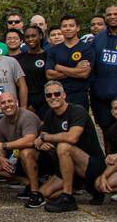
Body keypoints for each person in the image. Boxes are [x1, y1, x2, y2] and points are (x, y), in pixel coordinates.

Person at [35, 81, 106, 213]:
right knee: (45, 193)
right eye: (49, 95)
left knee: (63, 147)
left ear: (64, 95)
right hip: (69, 165)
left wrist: (46, 138)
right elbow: (39, 139)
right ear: (45, 98)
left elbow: (72, 137)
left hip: (91, 164)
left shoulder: (77, 110)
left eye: (57, 94)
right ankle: (81, 186)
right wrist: (41, 141)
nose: (53, 97)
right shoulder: (49, 114)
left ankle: (68, 197)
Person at [0, 92, 42, 206]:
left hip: (40, 157)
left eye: (10, 101)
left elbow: (30, 140)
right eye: (3, 103)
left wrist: (4, 145)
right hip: (17, 158)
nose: (7, 105)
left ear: (17, 102)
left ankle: (36, 194)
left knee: (25, 152)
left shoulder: (27, 116)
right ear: (0, 107)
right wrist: (1, 158)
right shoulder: (1, 123)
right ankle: (29, 183)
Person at [47, 15, 91, 109]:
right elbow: (50, 75)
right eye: (64, 26)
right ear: (61, 29)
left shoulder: (86, 48)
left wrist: (60, 68)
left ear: (77, 28)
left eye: (71, 25)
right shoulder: (53, 50)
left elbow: (84, 74)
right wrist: (76, 69)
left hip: (79, 96)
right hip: (58, 96)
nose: (68, 28)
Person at [15, 26, 49, 116]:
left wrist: (36, 104)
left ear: (41, 36)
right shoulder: (19, 58)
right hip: (25, 102)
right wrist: (25, 105)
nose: (30, 39)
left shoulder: (47, 56)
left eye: (33, 36)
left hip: (44, 102)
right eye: (27, 37)